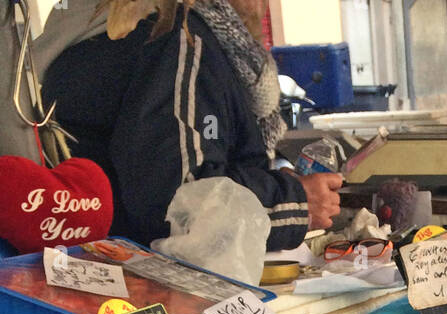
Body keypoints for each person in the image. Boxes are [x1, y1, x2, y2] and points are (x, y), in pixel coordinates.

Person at [36, 0, 341, 250]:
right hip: (140, 286)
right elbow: (179, 205)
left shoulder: (102, 24)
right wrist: (293, 202)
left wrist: (272, 181)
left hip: (90, 264)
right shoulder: (174, 34)